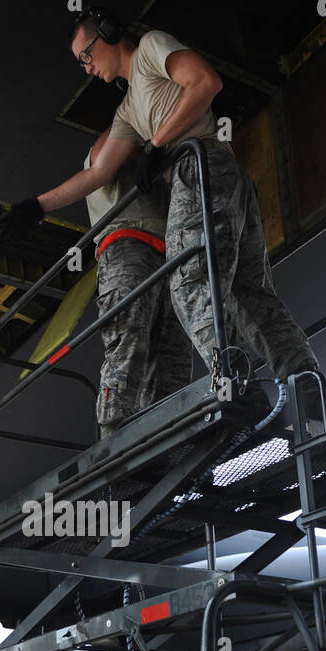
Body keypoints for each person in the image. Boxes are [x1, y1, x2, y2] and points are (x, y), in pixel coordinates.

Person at [0, 6, 326, 425]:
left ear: (107, 34)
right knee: (246, 293)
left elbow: (205, 82)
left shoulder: (149, 48)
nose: (87, 68)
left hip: (199, 169)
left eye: (86, 56)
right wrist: (37, 206)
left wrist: (158, 143)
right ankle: (308, 385)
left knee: (188, 280)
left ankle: (234, 384)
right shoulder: (128, 110)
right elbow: (100, 172)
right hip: (223, 177)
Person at [83, 126, 192, 436]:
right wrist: (152, 143)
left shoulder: (160, 172)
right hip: (127, 247)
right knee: (129, 340)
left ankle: (168, 432)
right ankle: (113, 433)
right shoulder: (105, 152)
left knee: (172, 355)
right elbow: (115, 145)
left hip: (171, 256)